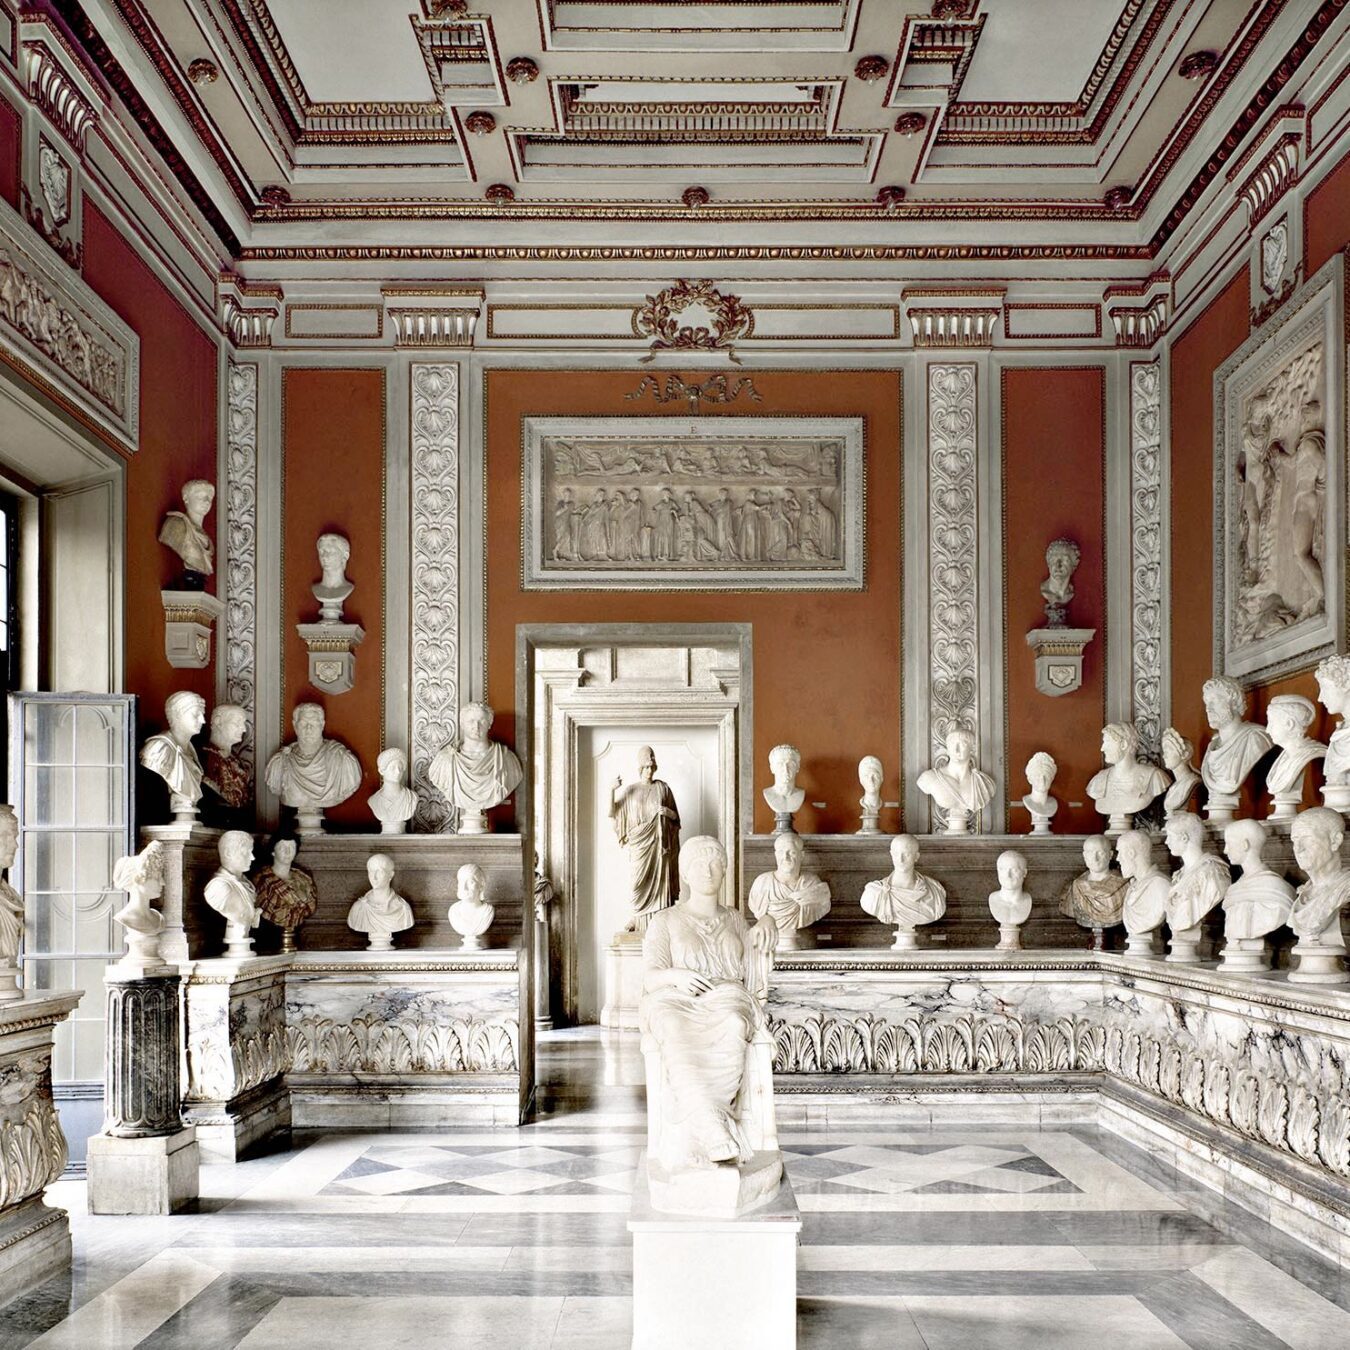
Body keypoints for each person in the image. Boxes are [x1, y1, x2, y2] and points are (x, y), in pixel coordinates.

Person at [639, 835, 776, 1171]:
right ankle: (712, 1128)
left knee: (733, 1023)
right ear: (684, 873)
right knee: (671, 1026)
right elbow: (649, 977)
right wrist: (676, 976)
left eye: (715, 861)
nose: (708, 869)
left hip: (727, 998)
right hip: (678, 999)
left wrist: (768, 923)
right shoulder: (665, 921)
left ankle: (708, 1124)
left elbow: (753, 960)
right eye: (699, 863)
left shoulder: (734, 920)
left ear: (725, 869)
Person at [609, 746, 681, 930]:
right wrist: (611, 790)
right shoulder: (631, 790)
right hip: (639, 844)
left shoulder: (663, 788)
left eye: (652, 767)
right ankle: (637, 916)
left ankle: (662, 922)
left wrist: (667, 812)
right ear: (640, 768)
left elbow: (676, 819)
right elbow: (613, 813)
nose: (650, 771)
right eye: (646, 767)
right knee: (637, 883)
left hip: (660, 845)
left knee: (661, 882)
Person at [264, 702, 362, 832]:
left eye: (314, 723)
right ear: (295, 725)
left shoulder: (341, 759)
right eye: (304, 723)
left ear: (322, 725)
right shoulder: (280, 762)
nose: (308, 729)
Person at [429, 702, 523, 833]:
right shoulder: (445, 760)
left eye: (482, 721)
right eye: (471, 721)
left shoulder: (506, 759)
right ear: (462, 724)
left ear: (489, 724)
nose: (476, 726)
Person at [746, 832, 831, 950]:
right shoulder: (762, 883)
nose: (785, 857)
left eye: (791, 852)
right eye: (781, 852)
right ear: (776, 855)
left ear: (802, 855)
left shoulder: (812, 884)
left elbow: (822, 902)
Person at [860, 834, 946, 946]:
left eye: (906, 854)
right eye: (896, 854)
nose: (900, 859)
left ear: (916, 856)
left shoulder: (935, 891)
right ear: (891, 855)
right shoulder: (874, 893)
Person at [140, 691, 207, 820]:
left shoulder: (192, 751)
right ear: (177, 716)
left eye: (202, 715)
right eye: (195, 715)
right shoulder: (159, 749)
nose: (203, 720)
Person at [918, 728, 995, 833]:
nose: (956, 750)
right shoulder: (929, 778)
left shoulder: (984, 782)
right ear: (947, 747)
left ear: (972, 748)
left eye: (962, 744)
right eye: (952, 744)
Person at [253, 837, 318, 952]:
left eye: (291, 848)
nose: (287, 852)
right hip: (269, 941)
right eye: (282, 847)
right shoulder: (263, 881)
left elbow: (309, 907)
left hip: (296, 940)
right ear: (273, 851)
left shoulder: (304, 879)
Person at [1060, 835, 1128, 936]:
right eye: (1090, 853)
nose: (1095, 858)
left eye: (1100, 853)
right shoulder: (1076, 886)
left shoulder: (1124, 885)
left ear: (1110, 855)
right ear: (1084, 855)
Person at [347, 853, 414, 951]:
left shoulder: (403, 908)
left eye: (379, 872)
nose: (374, 877)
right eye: (371, 871)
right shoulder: (359, 908)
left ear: (390, 875)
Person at [158, 479, 215, 586]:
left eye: (209, 498)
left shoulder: (207, 539)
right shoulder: (176, 524)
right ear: (186, 498)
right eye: (200, 497)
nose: (207, 501)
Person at [203, 703, 249, 812]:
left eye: (243, 724)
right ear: (218, 722)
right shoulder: (205, 758)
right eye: (237, 723)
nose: (244, 729)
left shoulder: (236, 760)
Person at [367, 747, 419, 834]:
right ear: (381, 771)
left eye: (400, 768)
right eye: (392, 768)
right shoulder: (374, 801)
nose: (398, 772)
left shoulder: (412, 798)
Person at [448, 863, 494, 950]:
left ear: (481, 886)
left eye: (470, 882)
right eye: (461, 882)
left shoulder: (488, 911)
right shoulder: (454, 911)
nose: (464, 887)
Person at [312, 532, 354, 623]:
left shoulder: (347, 589)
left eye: (331, 551)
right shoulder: (316, 590)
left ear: (345, 556)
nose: (324, 556)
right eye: (322, 551)